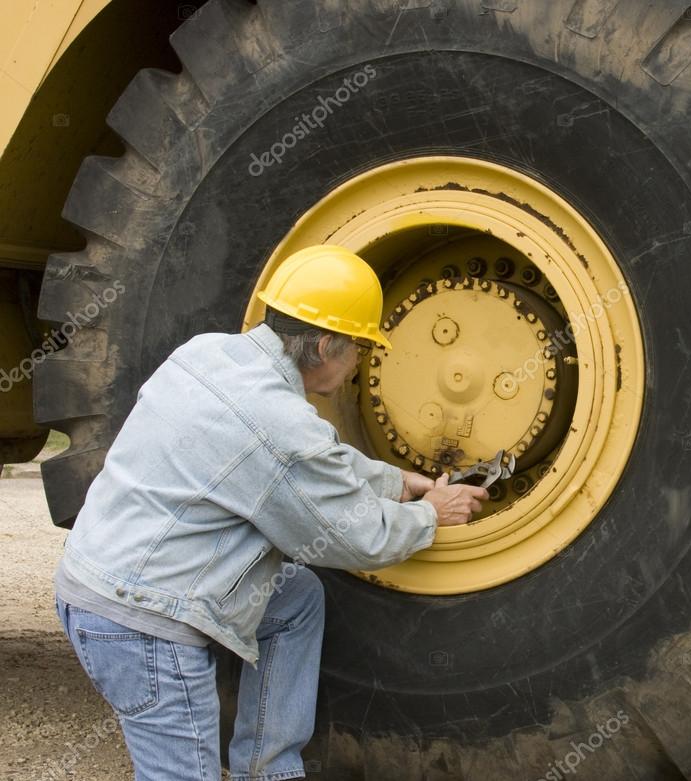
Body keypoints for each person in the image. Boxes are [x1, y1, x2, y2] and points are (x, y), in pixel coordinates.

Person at [52, 245, 489, 780]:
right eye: (360, 348)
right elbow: (357, 537)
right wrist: (432, 514)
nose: (360, 362)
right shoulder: (278, 423)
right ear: (325, 347)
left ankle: (269, 769)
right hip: (142, 623)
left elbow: (303, 454)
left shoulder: (207, 354)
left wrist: (395, 481)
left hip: (93, 581)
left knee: (296, 599)